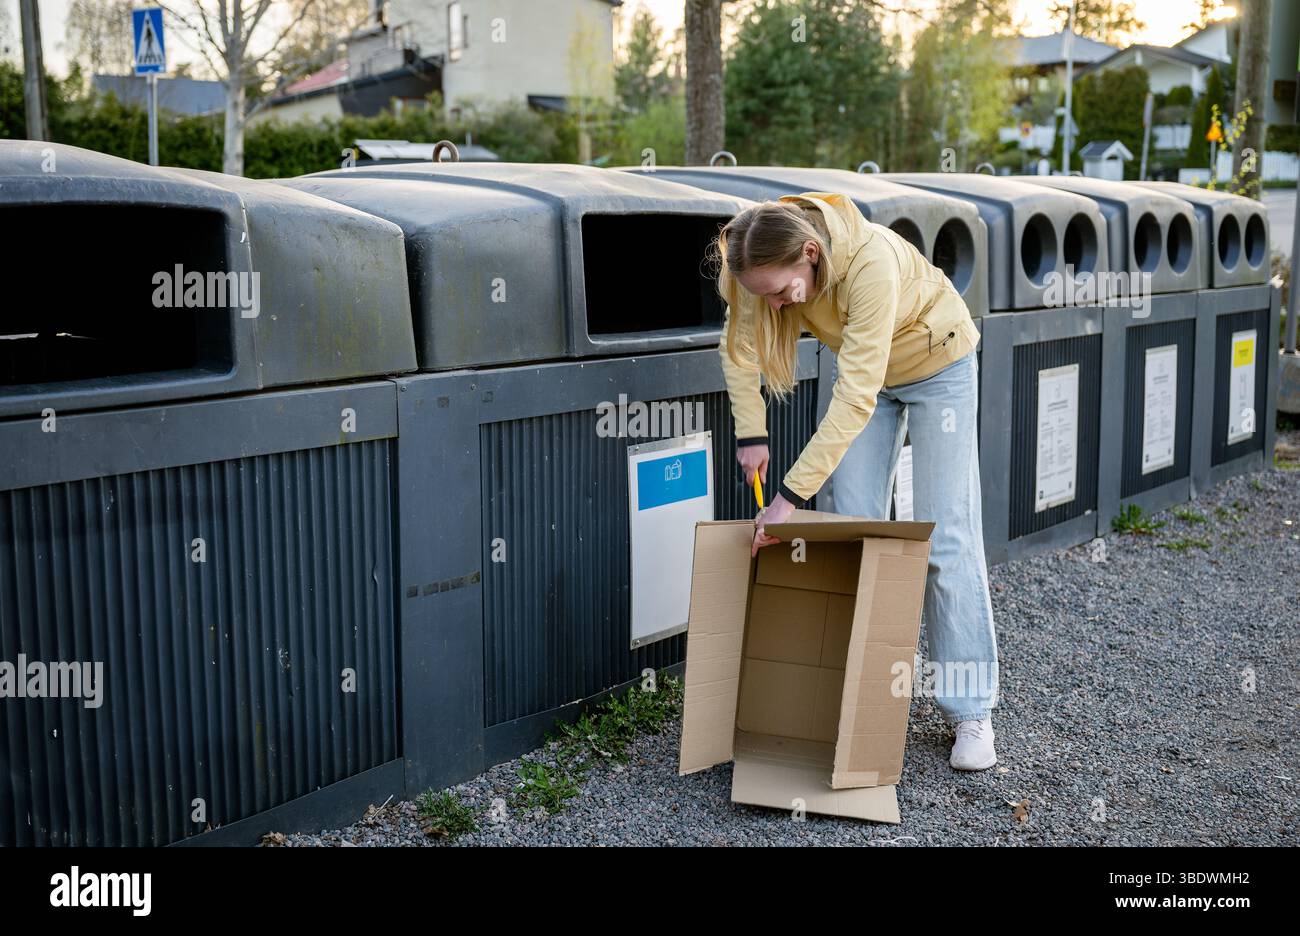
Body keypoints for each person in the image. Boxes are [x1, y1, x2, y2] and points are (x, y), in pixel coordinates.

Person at [711, 191, 1000, 771]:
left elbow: (855, 399)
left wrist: (789, 498)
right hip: (864, 365)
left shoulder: (868, 262)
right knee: (852, 531)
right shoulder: (753, 261)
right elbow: (741, 353)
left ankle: (970, 710)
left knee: (946, 538)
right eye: (760, 295)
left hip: (935, 361)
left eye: (781, 292)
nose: (772, 307)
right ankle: (855, 695)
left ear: (812, 254)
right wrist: (751, 435)